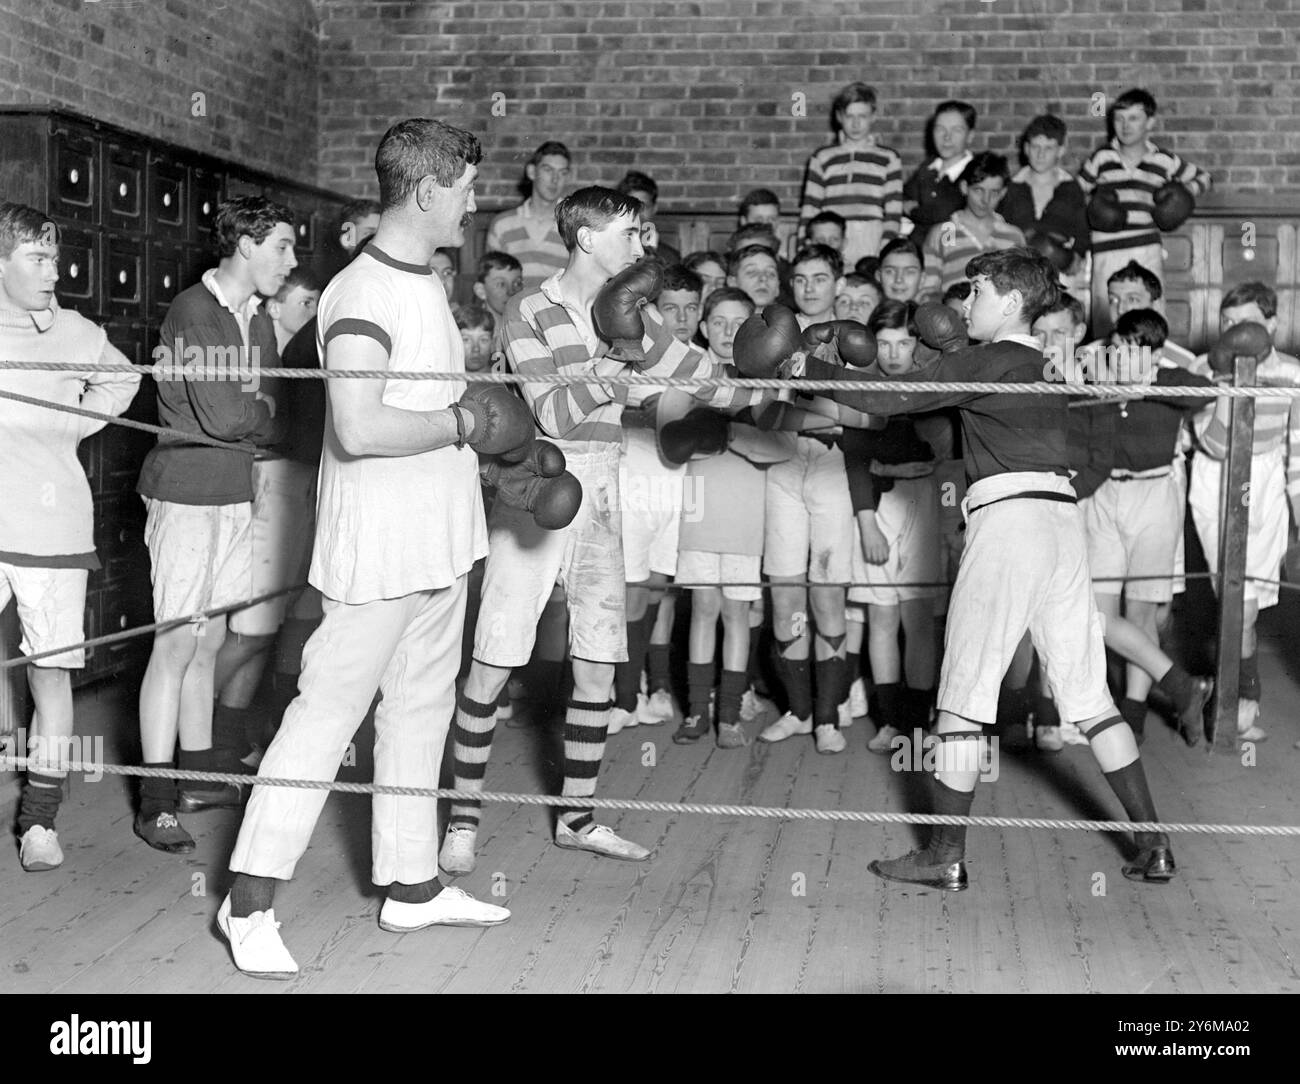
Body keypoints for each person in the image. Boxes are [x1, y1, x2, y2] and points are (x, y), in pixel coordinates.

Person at [219, 118, 514, 979]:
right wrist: (463, 420)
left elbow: (428, 410)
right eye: (464, 189)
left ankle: (412, 888)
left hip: (438, 539)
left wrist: (494, 454)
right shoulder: (360, 293)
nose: (471, 205)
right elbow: (357, 423)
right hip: (378, 547)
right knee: (324, 717)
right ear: (426, 190)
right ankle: (248, 905)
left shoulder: (425, 282)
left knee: (419, 711)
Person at [785, 247, 1178, 890]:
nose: (964, 303)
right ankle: (1155, 843)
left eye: (976, 292)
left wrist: (808, 367)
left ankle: (943, 856)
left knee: (964, 695)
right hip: (1060, 525)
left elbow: (890, 399)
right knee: (1088, 695)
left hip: (1010, 527)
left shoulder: (990, 359)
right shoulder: (1045, 367)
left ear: (1011, 302)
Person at [442, 187, 771, 875]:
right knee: (494, 658)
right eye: (630, 232)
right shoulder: (528, 310)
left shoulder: (638, 315)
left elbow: (700, 374)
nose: (641, 245)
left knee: (597, 663)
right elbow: (556, 414)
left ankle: (578, 817)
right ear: (587, 237)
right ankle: (463, 820)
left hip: (604, 489)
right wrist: (619, 360)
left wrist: (774, 385)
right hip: (536, 487)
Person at [135, 196, 294, 853]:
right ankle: (155, 799)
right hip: (185, 495)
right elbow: (231, 417)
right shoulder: (192, 312)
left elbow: (269, 406)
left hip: (233, 493)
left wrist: (249, 407)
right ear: (247, 244)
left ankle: (199, 776)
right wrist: (250, 408)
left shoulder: (254, 319)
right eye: (282, 246)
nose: (290, 261)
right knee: (173, 645)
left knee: (209, 642)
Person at [0, 203, 141, 871]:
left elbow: (124, 378)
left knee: (50, 673)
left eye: (55, 258)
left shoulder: (75, 330)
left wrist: (72, 424)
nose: (54, 271)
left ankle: (39, 821)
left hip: (52, 527)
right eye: (38, 258)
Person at [211, 266, 323, 774]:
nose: (314, 314)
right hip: (268, 482)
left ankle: (225, 740)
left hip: (297, 480)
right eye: (305, 303)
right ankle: (193, 721)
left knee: (270, 625)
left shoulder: (296, 356)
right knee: (252, 627)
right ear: (274, 306)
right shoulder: (258, 354)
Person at [1189, 282, 1300, 743]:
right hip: (1217, 476)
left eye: (1247, 323)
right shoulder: (1203, 369)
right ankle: (1236, 697)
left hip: (1267, 479)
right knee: (1235, 600)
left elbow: (1298, 452)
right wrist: (1228, 387)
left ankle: (1236, 697)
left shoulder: (1293, 373)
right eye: (1228, 324)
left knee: (1249, 605)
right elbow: (1212, 444)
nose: (1235, 332)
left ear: (1272, 324)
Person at [839, 301, 942, 754]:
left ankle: (917, 724)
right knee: (880, 616)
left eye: (904, 342)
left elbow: (944, 447)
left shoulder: (937, 385)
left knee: (917, 617)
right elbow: (854, 455)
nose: (894, 353)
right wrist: (866, 521)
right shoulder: (862, 388)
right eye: (884, 343)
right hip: (877, 501)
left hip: (924, 499)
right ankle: (889, 721)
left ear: (919, 345)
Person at [1078, 88, 1211, 337]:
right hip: (1106, 249)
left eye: (1134, 118)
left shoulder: (1164, 160)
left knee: (1150, 314)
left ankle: (1149, 370)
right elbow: (1076, 192)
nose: (1125, 126)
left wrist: (1182, 193)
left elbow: (1205, 178)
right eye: (1119, 119)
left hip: (1146, 248)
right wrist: (1094, 206)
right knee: (1106, 316)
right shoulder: (1101, 157)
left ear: (1150, 122)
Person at [799, 83, 902, 264]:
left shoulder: (888, 158)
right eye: (849, 116)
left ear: (873, 117)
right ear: (839, 117)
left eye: (862, 116)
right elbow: (810, 208)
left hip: (870, 237)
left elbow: (893, 213)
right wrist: (802, 248)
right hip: (831, 237)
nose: (855, 124)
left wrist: (885, 248)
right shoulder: (823, 158)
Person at [1000, 114, 1091, 319]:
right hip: (1019, 276)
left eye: (1048, 148)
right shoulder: (1012, 187)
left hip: (1062, 276)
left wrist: (1075, 255)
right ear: (1025, 148)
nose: (1040, 155)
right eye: (1035, 147)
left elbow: (1084, 231)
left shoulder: (1071, 187)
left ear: (1060, 150)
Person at [923, 152, 1026, 294]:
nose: (985, 199)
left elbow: (1022, 289)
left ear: (1003, 193)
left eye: (994, 192)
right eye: (978, 190)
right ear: (964, 187)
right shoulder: (946, 232)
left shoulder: (1013, 236)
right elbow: (929, 290)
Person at [486, 140, 572, 288]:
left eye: (562, 173)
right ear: (532, 172)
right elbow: (491, 281)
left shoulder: (574, 224)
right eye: (548, 170)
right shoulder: (502, 224)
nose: (555, 179)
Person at [902, 100, 976, 239]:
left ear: (970, 136)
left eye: (956, 130)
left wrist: (913, 210)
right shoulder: (928, 168)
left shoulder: (976, 173)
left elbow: (942, 215)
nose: (947, 137)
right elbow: (901, 197)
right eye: (940, 129)